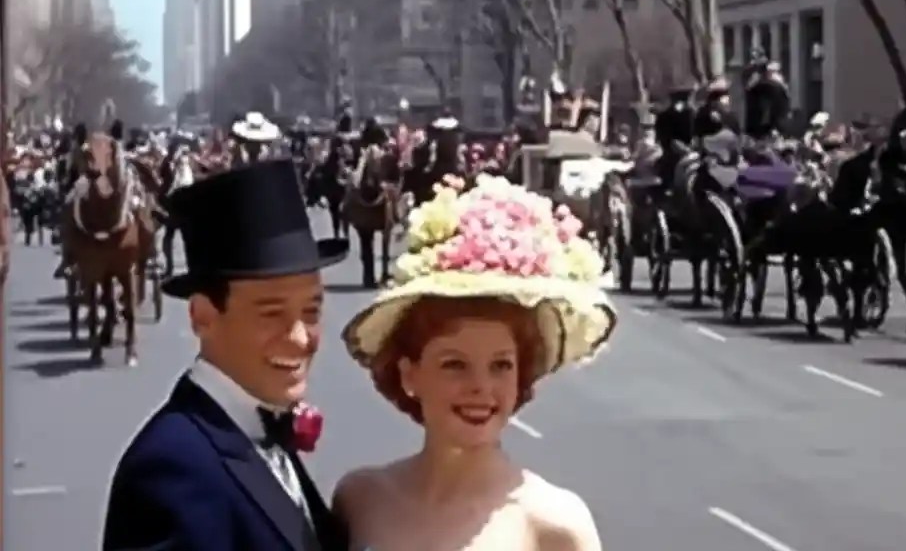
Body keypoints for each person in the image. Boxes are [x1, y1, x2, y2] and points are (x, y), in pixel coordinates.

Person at [336, 174, 613, 550]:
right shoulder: (360, 500)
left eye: (501, 365)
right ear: (409, 375)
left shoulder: (554, 524)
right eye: (454, 364)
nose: (481, 387)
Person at [102, 160, 350, 551]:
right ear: (203, 316)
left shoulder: (254, 425)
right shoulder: (170, 468)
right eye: (272, 314)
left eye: (311, 311)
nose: (301, 337)